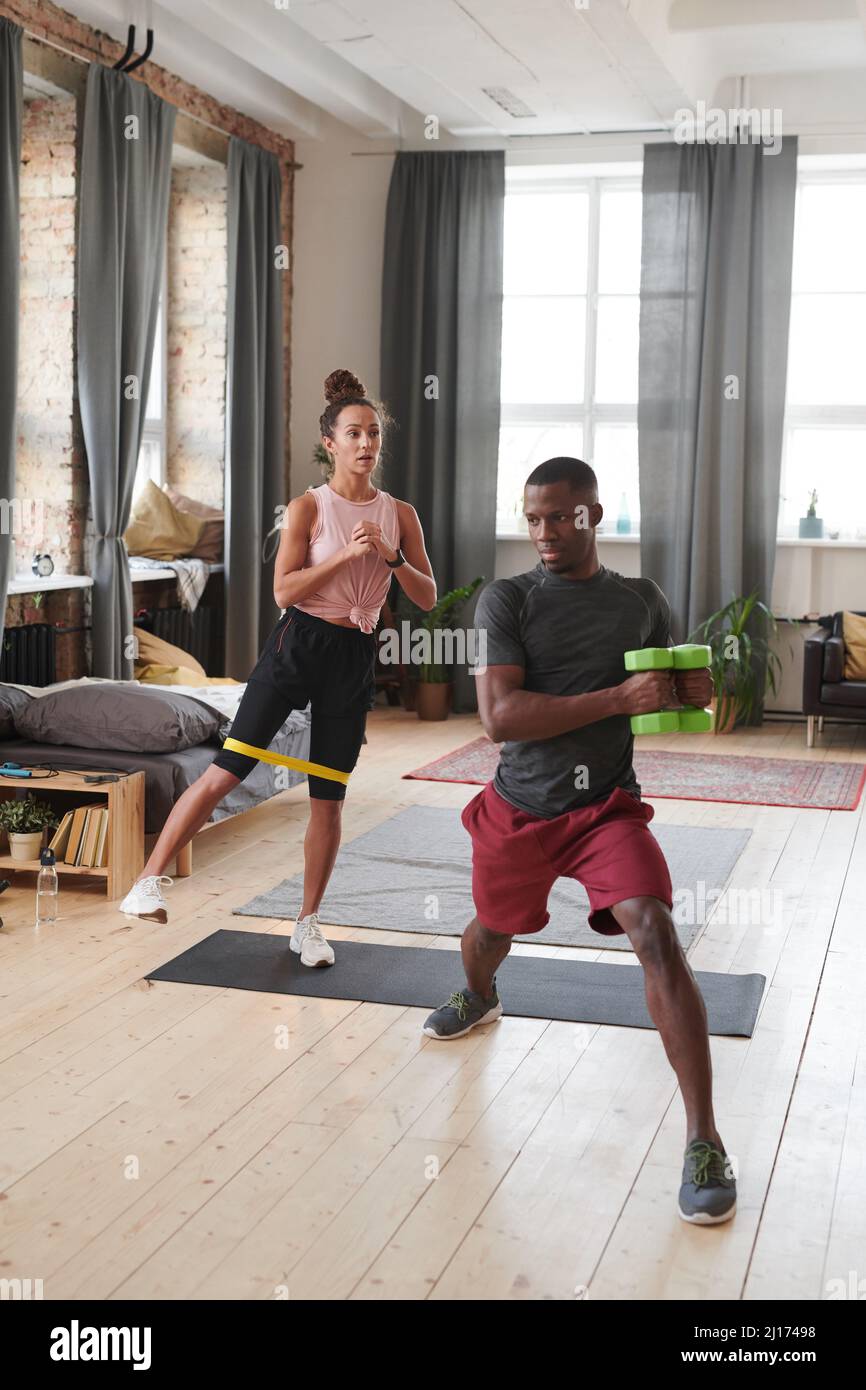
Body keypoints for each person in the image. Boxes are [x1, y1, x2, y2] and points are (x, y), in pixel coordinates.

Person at [422, 456, 736, 1225]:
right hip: (520, 808)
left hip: (606, 810)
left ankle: (704, 1140)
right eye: (533, 518)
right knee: (487, 937)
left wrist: (692, 693)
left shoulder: (641, 599)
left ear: (595, 515)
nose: (545, 532)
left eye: (561, 516)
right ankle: (482, 994)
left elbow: (663, 697)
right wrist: (615, 699)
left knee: (657, 932)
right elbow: (499, 718)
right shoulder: (508, 600)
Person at [120, 369, 436, 965]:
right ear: (331, 444)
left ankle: (307, 924)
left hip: (354, 653)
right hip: (300, 643)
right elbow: (283, 591)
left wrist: (391, 557)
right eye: (354, 434)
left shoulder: (401, 514)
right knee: (229, 769)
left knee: (329, 796)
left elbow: (426, 596)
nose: (366, 444)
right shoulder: (307, 507)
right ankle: (148, 882)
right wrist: (345, 555)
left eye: (374, 434)